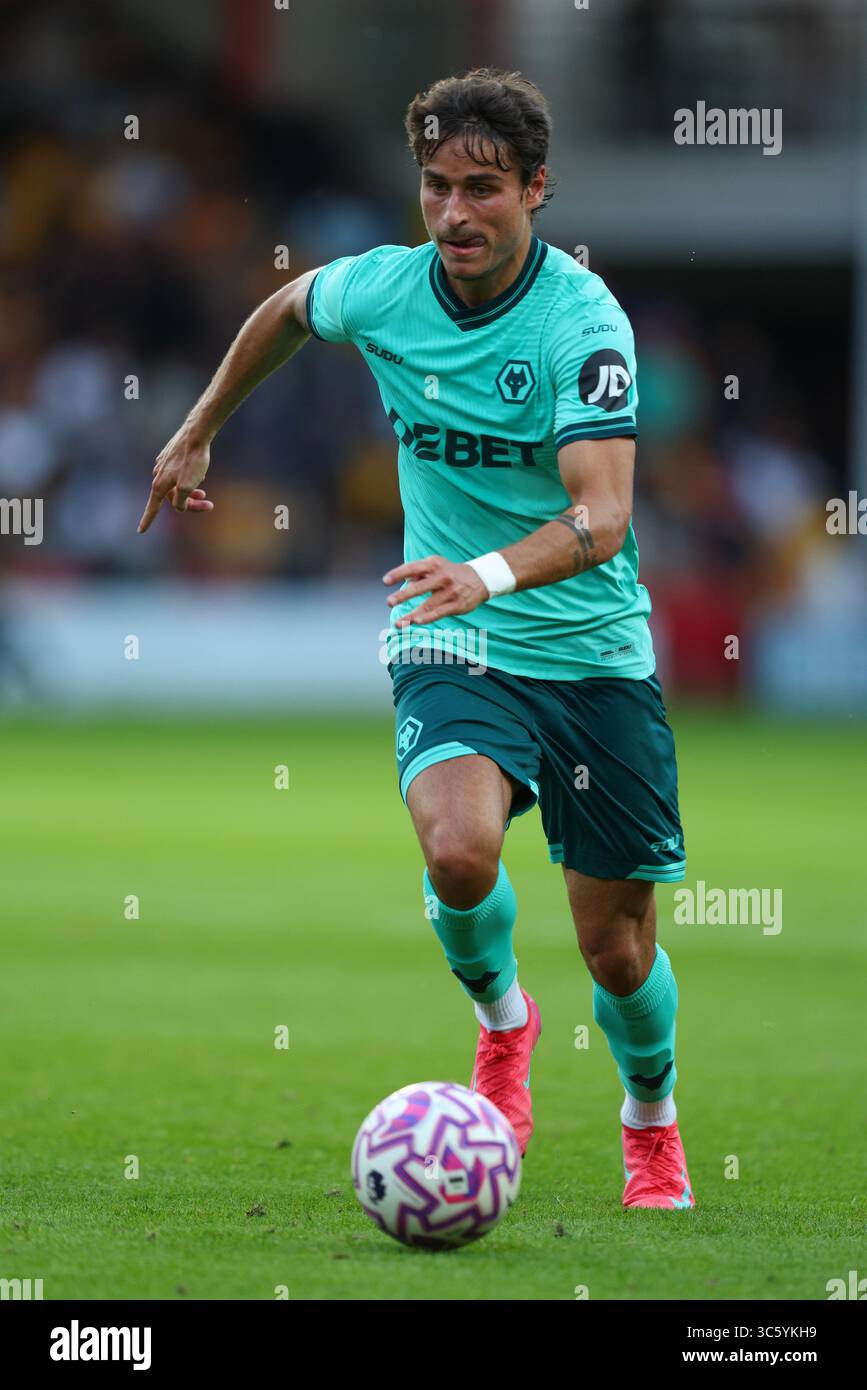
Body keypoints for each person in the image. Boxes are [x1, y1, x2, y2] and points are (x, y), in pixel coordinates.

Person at [139, 67, 693, 1210]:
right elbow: (287, 308)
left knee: (619, 952)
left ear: (537, 188)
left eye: (483, 189)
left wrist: (483, 569)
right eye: (436, 187)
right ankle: (504, 1026)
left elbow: (602, 516)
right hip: (451, 634)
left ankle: (650, 1114)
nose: (455, 215)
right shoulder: (387, 289)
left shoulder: (582, 324)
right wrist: (197, 430)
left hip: (591, 652)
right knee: (455, 849)